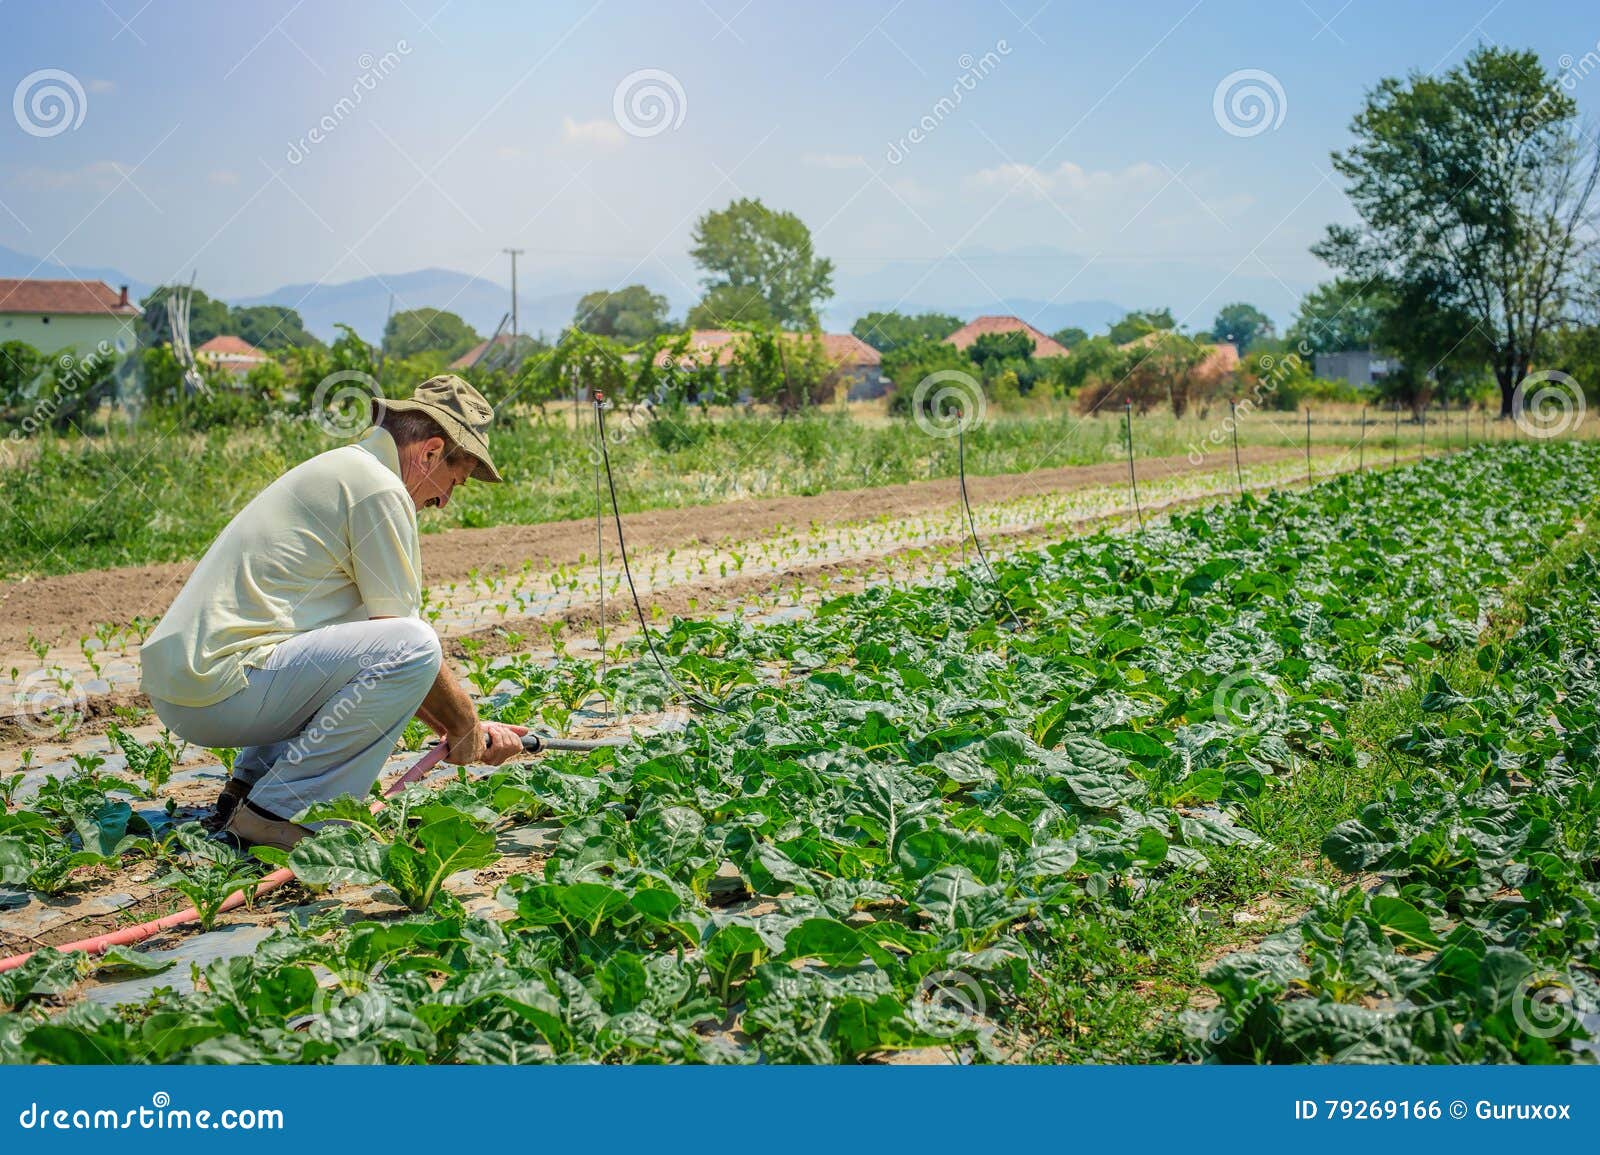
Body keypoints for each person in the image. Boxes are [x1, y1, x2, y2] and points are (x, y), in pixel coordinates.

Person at [139, 374, 527, 850]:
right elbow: (406, 651)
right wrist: (464, 725)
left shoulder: (345, 469)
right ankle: (280, 816)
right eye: (454, 481)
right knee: (413, 640)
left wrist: (461, 725)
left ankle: (251, 789)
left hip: (191, 689)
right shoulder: (378, 489)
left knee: (357, 627)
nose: (444, 501)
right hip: (222, 690)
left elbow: (379, 655)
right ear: (428, 453)